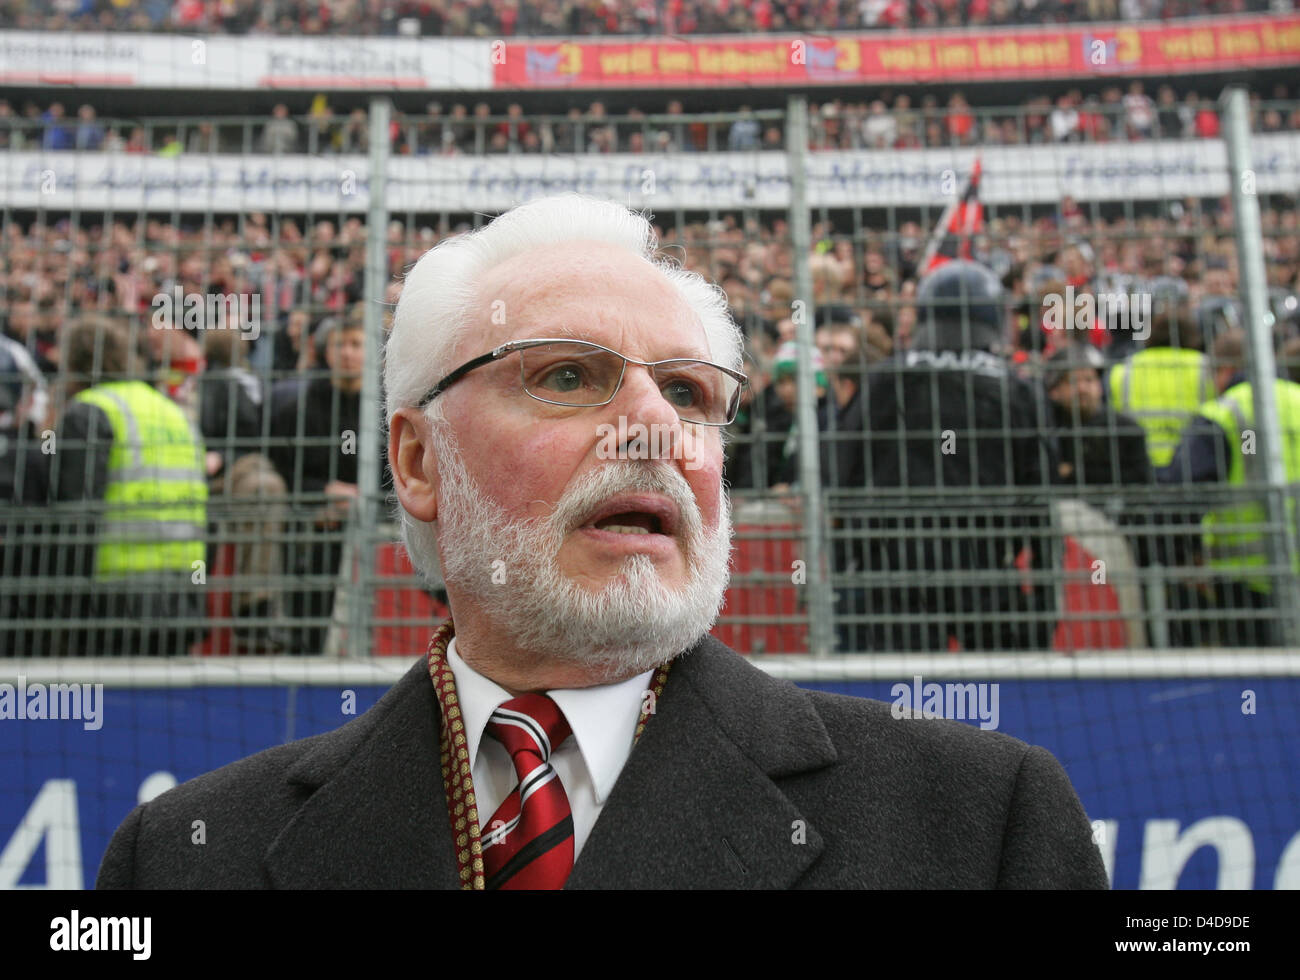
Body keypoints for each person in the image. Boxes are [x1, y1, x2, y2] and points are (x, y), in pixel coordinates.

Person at [97, 195, 1105, 889]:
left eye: (688, 391)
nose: (651, 427)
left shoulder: (980, 826)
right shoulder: (186, 857)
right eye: (567, 377)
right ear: (415, 459)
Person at [836, 260, 1058, 653]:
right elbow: (1041, 490)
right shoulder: (1016, 388)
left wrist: (852, 560)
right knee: (998, 699)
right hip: (984, 564)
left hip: (896, 567)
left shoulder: (887, 378)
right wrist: (1042, 598)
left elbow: (843, 468)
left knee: (898, 703)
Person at [34, 316, 208, 656]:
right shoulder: (172, 411)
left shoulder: (92, 411)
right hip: (181, 592)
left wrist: (61, 609)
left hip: (115, 598)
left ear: (74, 362)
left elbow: (77, 514)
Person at [1160, 329, 1300, 646]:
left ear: (1224, 371)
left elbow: (1180, 492)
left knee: (1256, 680)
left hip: (1246, 580)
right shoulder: (1297, 398)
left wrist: (1186, 556)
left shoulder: (1224, 413)